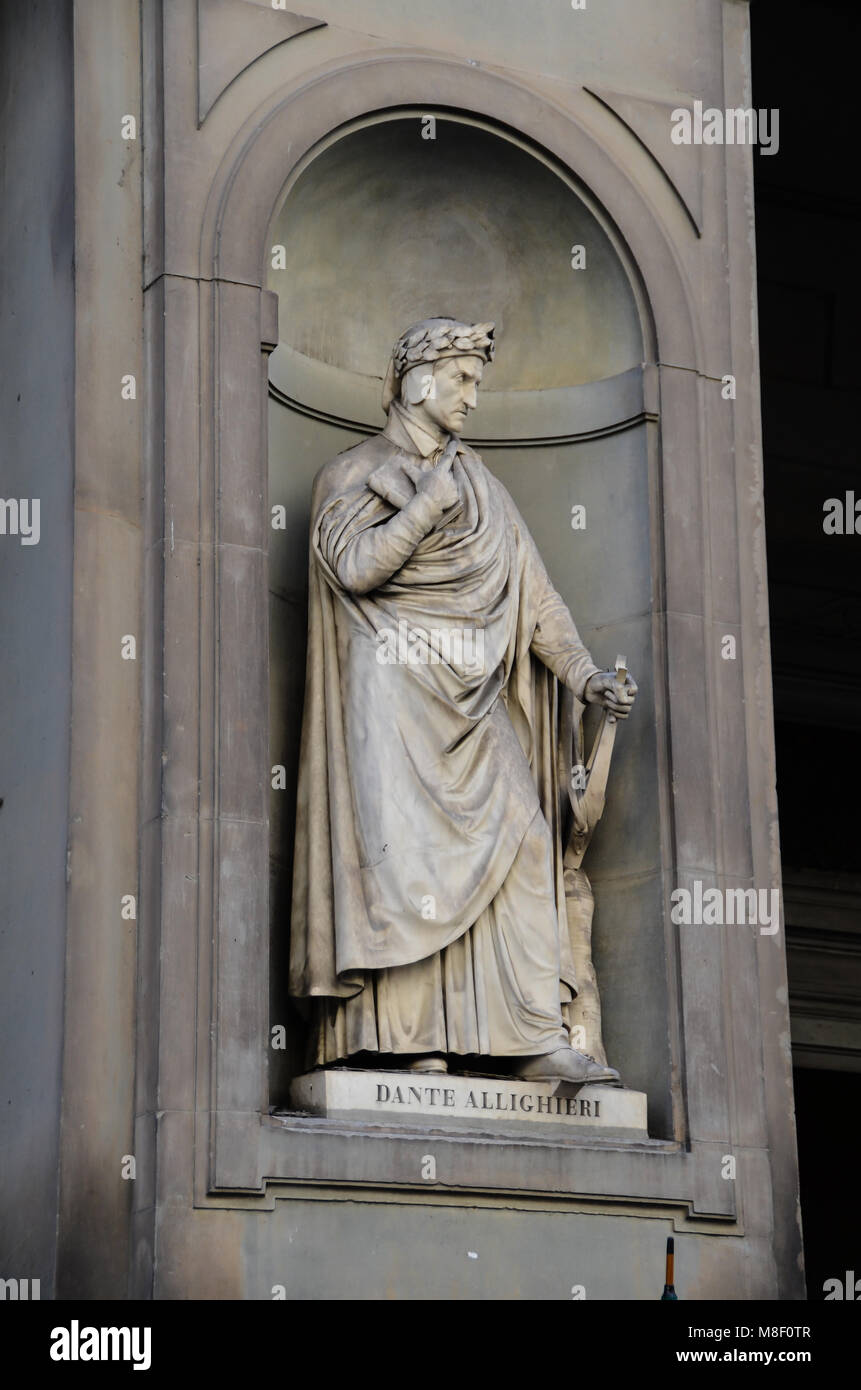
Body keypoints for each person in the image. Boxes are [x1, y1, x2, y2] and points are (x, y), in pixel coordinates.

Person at [289, 318, 636, 1083]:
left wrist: (583, 677)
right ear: (418, 382)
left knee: (524, 842)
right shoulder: (353, 472)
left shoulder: (482, 485)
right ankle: (413, 1041)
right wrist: (421, 508)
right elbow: (351, 567)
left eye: (476, 381)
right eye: (462, 380)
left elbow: (534, 598)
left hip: (473, 707)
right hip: (390, 703)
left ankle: (533, 1034)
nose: (473, 398)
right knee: (404, 864)